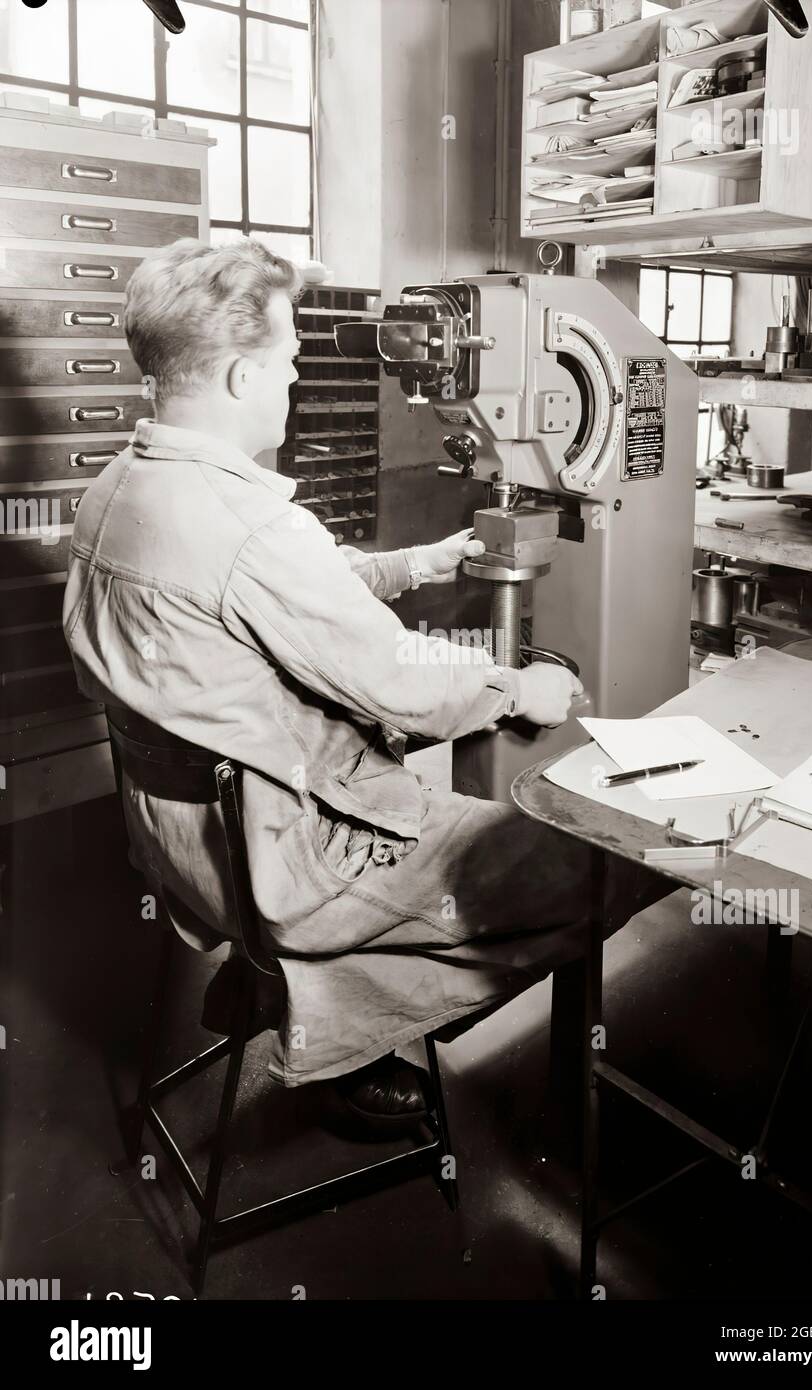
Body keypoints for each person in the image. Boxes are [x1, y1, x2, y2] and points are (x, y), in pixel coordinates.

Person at [63, 238, 588, 1130]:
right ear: (238, 378)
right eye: (291, 357)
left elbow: (288, 588)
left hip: (183, 851)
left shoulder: (113, 492)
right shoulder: (255, 526)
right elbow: (402, 684)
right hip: (292, 867)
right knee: (596, 868)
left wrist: (424, 561)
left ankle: (292, 988)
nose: (297, 377)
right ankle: (322, 1008)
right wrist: (514, 688)